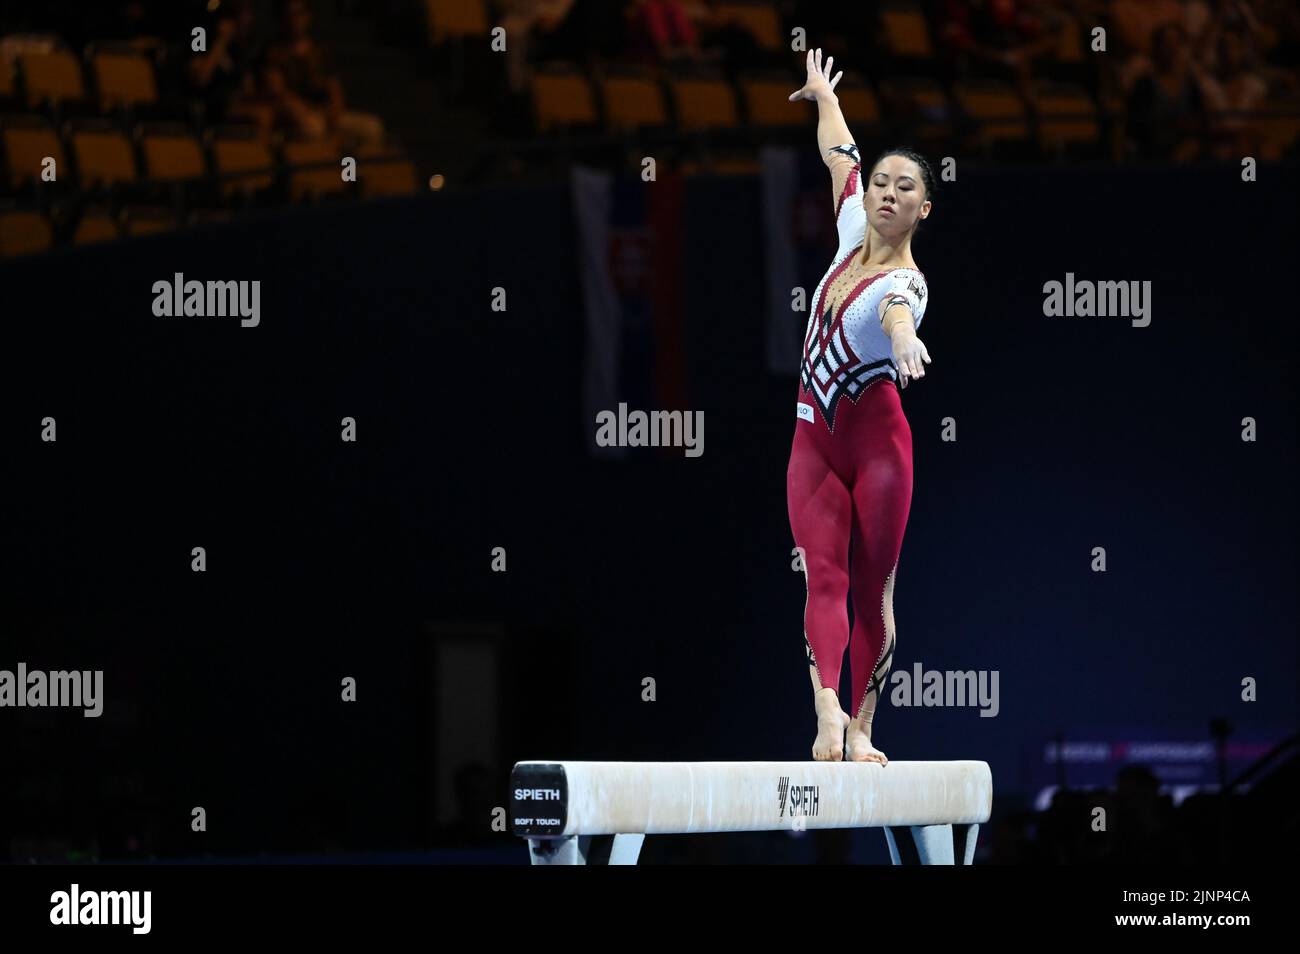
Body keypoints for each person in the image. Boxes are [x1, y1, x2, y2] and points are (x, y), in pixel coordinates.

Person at [786, 49, 934, 763]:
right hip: (813, 439)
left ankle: (867, 726)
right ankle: (827, 713)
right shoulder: (850, 229)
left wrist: (905, 345)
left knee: (873, 588)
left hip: (880, 451)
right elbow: (839, 151)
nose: (885, 191)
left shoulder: (907, 285)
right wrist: (823, 98)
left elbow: (899, 314)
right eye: (881, 181)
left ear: (921, 208)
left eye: (904, 187)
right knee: (823, 574)